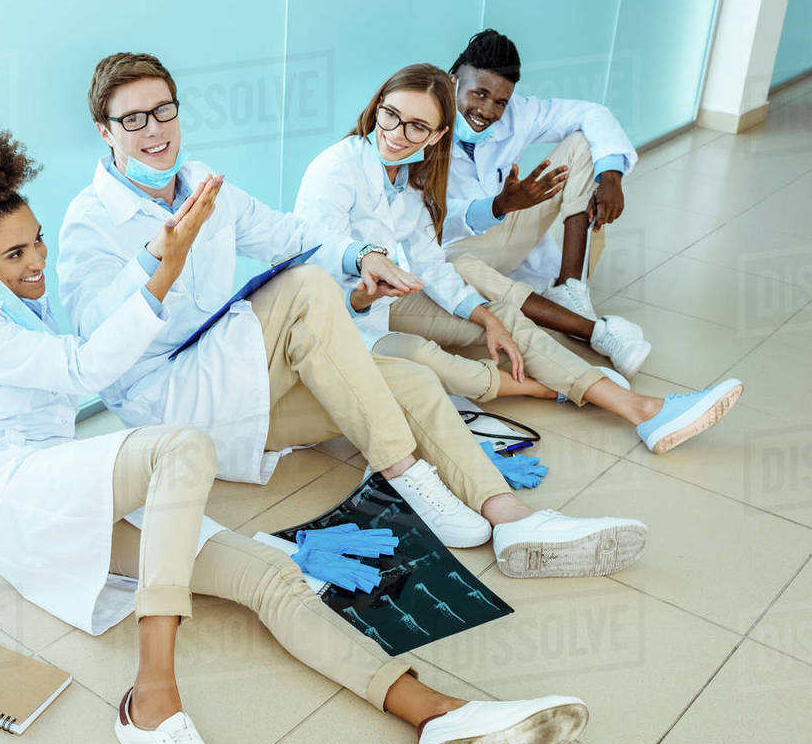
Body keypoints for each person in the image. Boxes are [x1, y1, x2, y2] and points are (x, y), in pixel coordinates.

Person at [0, 125, 598, 744]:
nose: (36, 264)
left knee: (271, 576)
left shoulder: (18, 301)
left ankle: (437, 713)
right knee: (181, 450)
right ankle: (152, 700)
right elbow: (86, 368)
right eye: (14, 256)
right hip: (10, 492)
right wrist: (166, 269)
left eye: (36, 243)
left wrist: (159, 256)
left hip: (63, 489)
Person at [59, 51, 651, 569]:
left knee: (412, 381)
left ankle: (515, 519)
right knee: (308, 288)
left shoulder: (206, 187)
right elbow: (92, 345)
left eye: (163, 110)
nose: (154, 129)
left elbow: (294, 234)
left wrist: (363, 253)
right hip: (168, 401)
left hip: (240, 390)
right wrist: (156, 264)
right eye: (132, 119)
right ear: (103, 132)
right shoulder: (88, 221)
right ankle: (407, 477)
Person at [293, 63, 744, 454]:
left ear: (437, 136)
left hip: (387, 302)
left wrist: (486, 318)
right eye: (390, 116)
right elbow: (314, 265)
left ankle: (643, 410)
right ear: (377, 108)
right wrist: (362, 290)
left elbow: (429, 264)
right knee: (440, 365)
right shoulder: (337, 168)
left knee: (503, 317)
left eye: (417, 127)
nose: (396, 134)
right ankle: (563, 384)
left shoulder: (410, 178)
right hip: (339, 316)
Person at [444, 29, 653, 376]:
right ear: (453, 81)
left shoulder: (517, 114)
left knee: (583, 144)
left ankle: (568, 288)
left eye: (500, 102)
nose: (488, 110)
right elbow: (421, 219)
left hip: (504, 231)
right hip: (452, 251)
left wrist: (611, 176)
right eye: (479, 94)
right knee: (463, 268)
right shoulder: (421, 122)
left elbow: (592, 114)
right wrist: (498, 206)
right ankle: (599, 333)